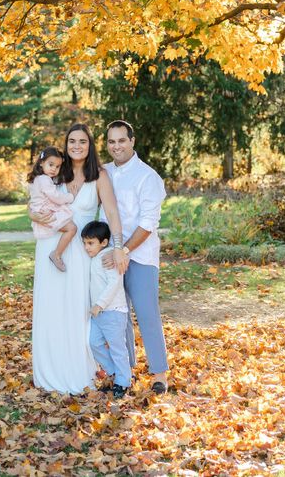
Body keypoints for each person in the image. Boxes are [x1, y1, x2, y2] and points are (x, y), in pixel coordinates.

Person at [30, 123, 125, 395]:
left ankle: (78, 370)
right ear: (66, 144)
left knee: (77, 309)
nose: (77, 146)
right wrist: (32, 214)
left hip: (82, 251)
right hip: (51, 245)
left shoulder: (99, 175)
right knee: (52, 308)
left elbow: (112, 213)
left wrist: (118, 247)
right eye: (72, 141)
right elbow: (35, 200)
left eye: (82, 141)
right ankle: (50, 370)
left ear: (90, 145)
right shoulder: (55, 171)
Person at [100, 120, 169, 394]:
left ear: (132, 141)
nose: (116, 146)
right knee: (118, 317)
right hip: (109, 256)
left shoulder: (148, 177)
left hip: (140, 255)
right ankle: (124, 371)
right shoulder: (103, 172)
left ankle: (159, 374)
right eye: (111, 141)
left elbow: (148, 223)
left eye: (121, 140)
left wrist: (124, 250)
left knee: (146, 313)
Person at [82, 220, 131, 399]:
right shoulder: (94, 258)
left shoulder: (108, 257)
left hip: (113, 311)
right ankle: (113, 373)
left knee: (118, 348)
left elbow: (114, 283)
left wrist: (99, 304)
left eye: (90, 243)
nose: (86, 247)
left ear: (103, 242)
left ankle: (123, 382)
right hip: (99, 314)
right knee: (93, 343)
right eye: (84, 243)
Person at [27, 147, 76, 272]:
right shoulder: (44, 179)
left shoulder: (36, 179)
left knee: (70, 228)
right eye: (51, 164)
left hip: (40, 211)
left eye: (57, 166)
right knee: (72, 228)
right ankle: (57, 254)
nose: (54, 169)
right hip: (47, 213)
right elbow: (56, 198)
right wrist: (70, 196)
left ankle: (56, 254)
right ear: (41, 162)